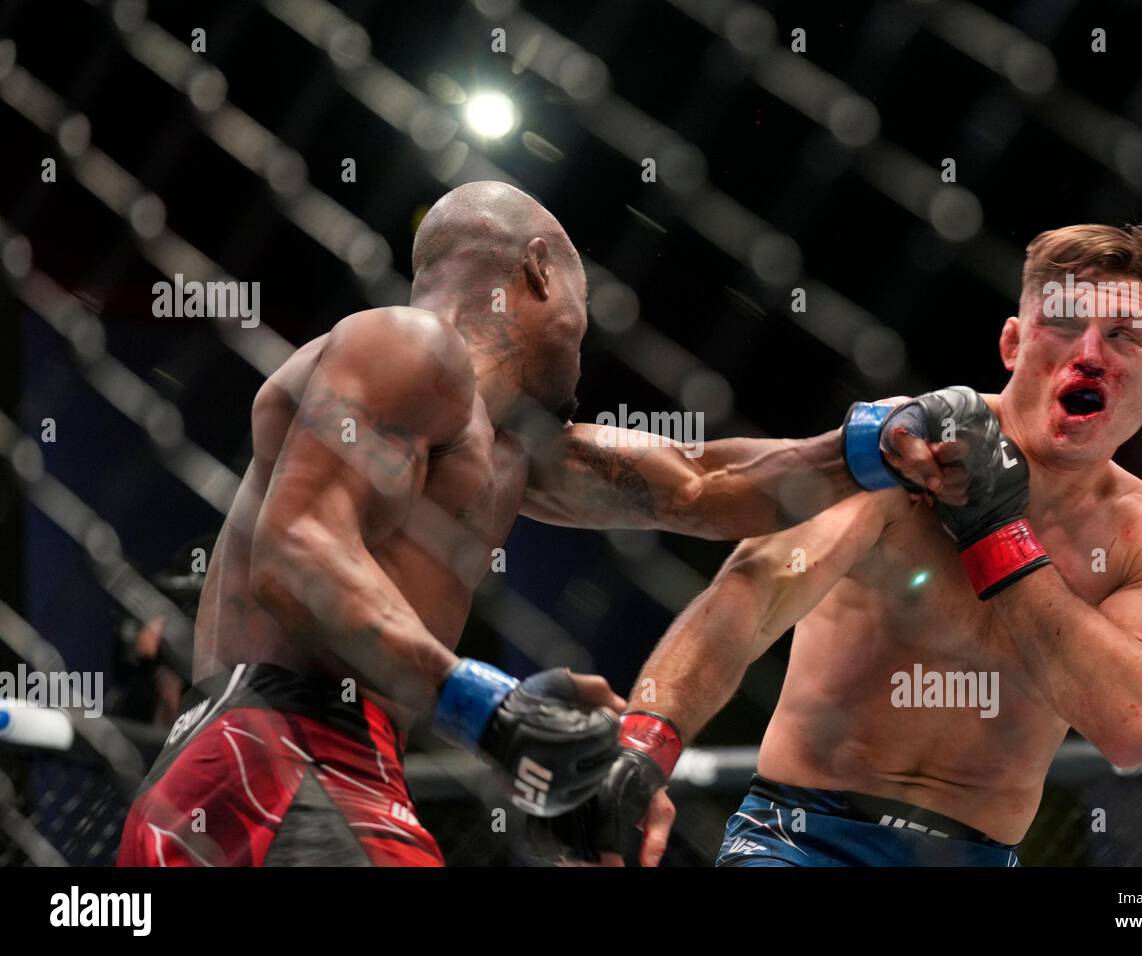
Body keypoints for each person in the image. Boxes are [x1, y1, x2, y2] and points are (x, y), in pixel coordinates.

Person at [117, 181, 859, 866]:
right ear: (539, 270)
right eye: (583, 300)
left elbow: (705, 486)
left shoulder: (508, 451)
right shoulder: (408, 346)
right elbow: (297, 551)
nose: (584, 339)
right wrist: (492, 706)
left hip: (299, 771)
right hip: (272, 760)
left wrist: (870, 445)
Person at [555, 222, 1142, 867]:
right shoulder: (908, 447)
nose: (1090, 353)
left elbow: (1135, 728)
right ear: (1014, 342)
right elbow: (750, 595)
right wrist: (644, 745)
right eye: (1064, 323)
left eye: (1125, 336)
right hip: (798, 841)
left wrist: (997, 534)